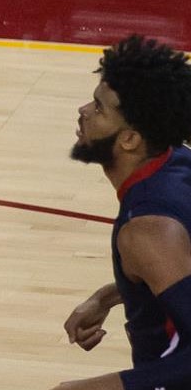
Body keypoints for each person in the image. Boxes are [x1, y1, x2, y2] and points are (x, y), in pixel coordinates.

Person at [57, 35, 191, 390]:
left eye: (99, 109)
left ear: (130, 140)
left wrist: (89, 388)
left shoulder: (148, 231)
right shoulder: (177, 161)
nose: (84, 110)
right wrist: (106, 297)